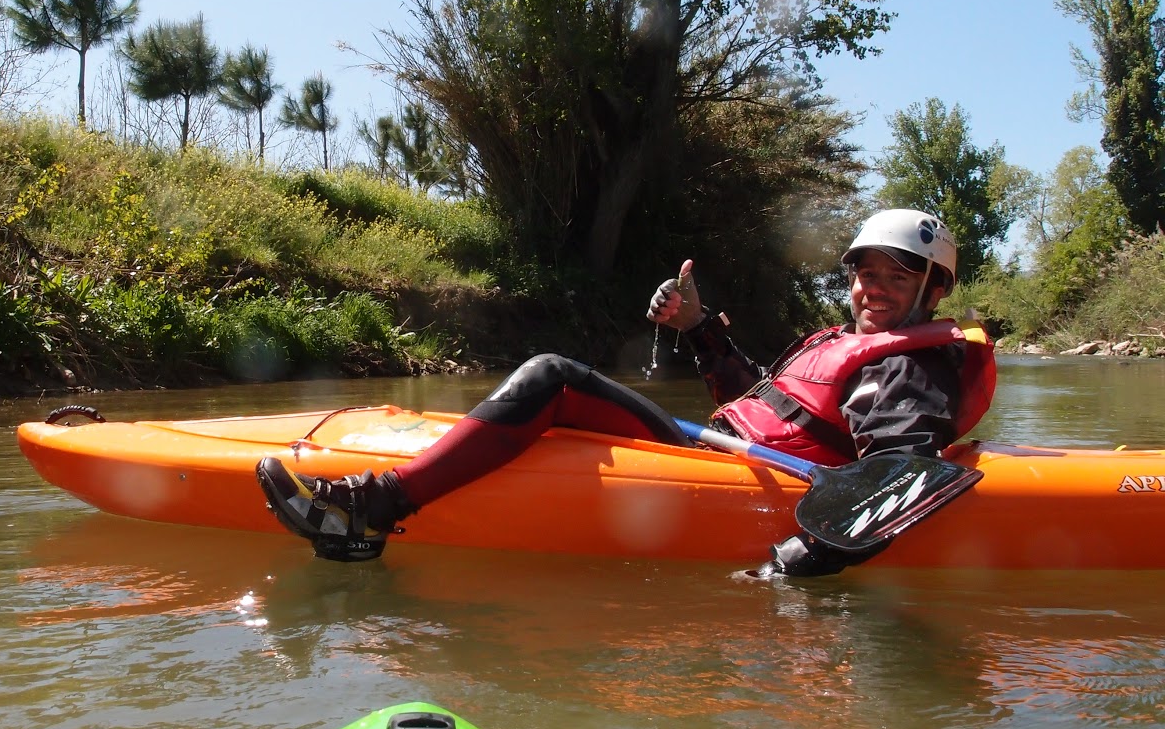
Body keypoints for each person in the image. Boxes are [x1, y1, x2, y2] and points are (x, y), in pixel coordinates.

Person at [256, 208, 996, 576]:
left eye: (896, 277)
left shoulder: (905, 366)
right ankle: (392, 494)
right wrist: (700, 325)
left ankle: (370, 509)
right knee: (551, 384)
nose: (872, 289)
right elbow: (766, 404)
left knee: (551, 376)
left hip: (730, 479)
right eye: (866, 272)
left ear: (934, 288)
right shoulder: (848, 343)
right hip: (725, 448)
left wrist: (797, 561)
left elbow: (899, 475)